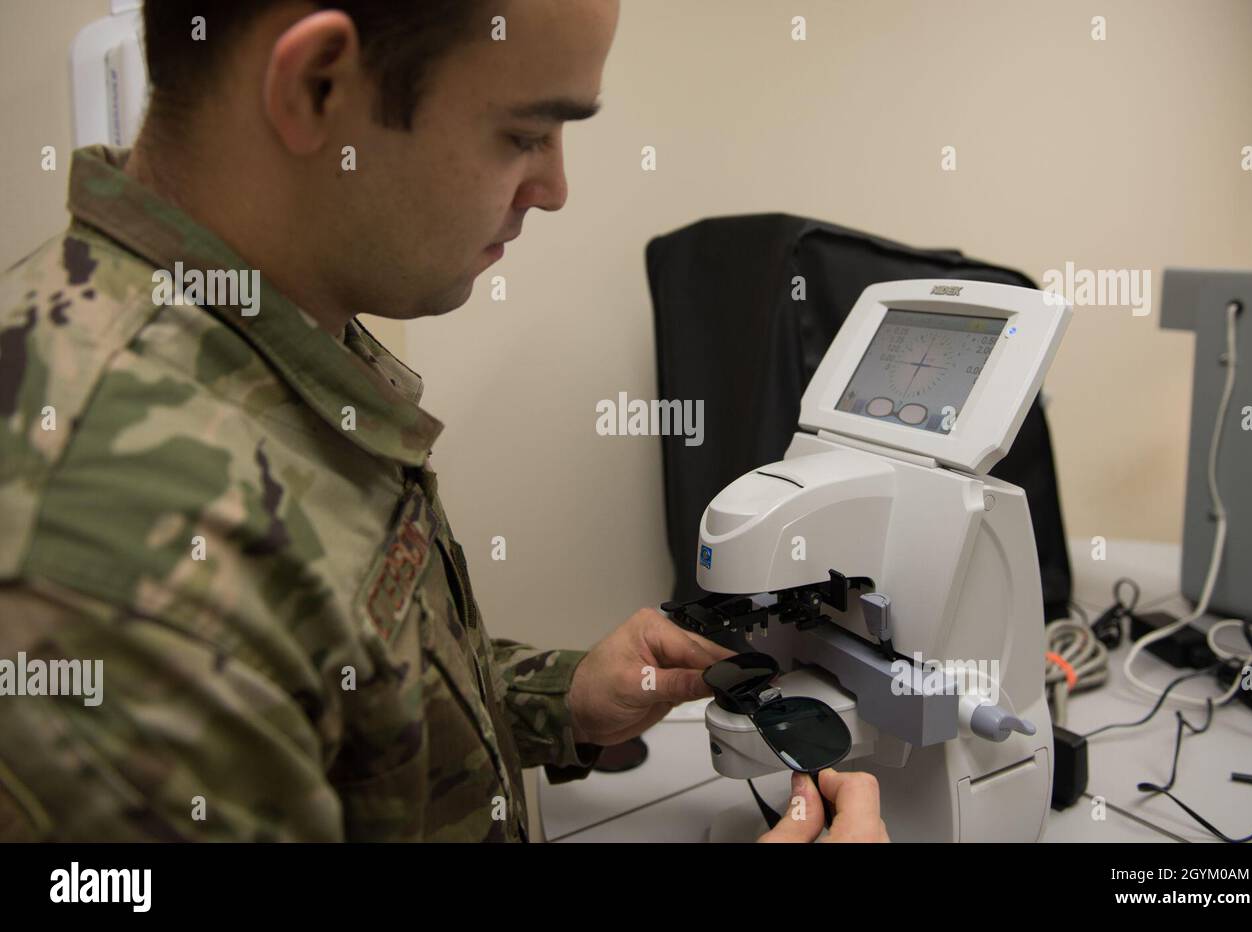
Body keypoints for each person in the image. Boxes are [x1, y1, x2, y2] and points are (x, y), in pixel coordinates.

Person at [0, 0, 886, 843]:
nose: (554, 188)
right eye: (525, 133)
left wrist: (561, 697)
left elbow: (349, 703)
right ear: (317, 87)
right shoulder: (104, 557)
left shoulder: (274, 335)